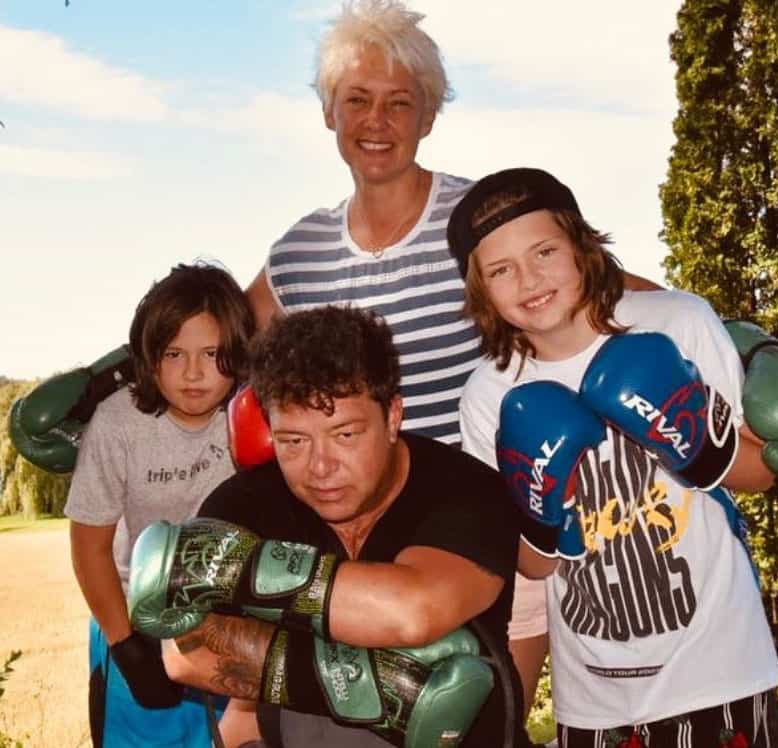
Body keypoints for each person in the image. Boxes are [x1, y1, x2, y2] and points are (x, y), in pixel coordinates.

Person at [241, 0, 653, 713]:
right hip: (357, 540)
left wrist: (752, 346)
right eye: (358, 101)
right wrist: (103, 387)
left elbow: (604, 283)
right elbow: (215, 337)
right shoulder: (297, 252)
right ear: (328, 113)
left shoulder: (477, 224)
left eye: (402, 103)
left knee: (483, 725)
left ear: (430, 115)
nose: (378, 122)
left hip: (484, 523)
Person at [447, 166, 778, 746]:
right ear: (480, 290)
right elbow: (530, 566)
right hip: (595, 700)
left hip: (720, 672)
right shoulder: (489, 395)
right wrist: (540, 510)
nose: (529, 279)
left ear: (582, 247)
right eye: (500, 270)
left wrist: (700, 448)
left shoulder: (678, 322)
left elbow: (762, 473)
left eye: (545, 251)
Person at [127, 305, 534, 747]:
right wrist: (371, 686)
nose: (321, 467)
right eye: (294, 441)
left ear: (393, 417)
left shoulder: (467, 488)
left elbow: (413, 610)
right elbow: (187, 652)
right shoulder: (247, 501)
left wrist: (240, 570)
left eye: (345, 435)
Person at [63, 263, 256, 747]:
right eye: (174, 354)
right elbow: (90, 547)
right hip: (130, 622)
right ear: (148, 359)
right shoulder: (117, 423)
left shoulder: (257, 415)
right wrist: (125, 645)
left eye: (212, 354)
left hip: (229, 629)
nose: (193, 373)